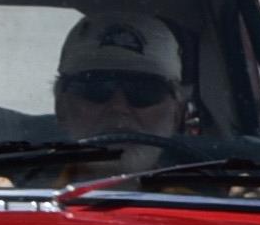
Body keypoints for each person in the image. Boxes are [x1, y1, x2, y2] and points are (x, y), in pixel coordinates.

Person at [48, 11, 196, 146]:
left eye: (144, 91)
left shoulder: (214, 173)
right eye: (95, 88)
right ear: (61, 109)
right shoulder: (28, 174)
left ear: (177, 114)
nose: (118, 107)